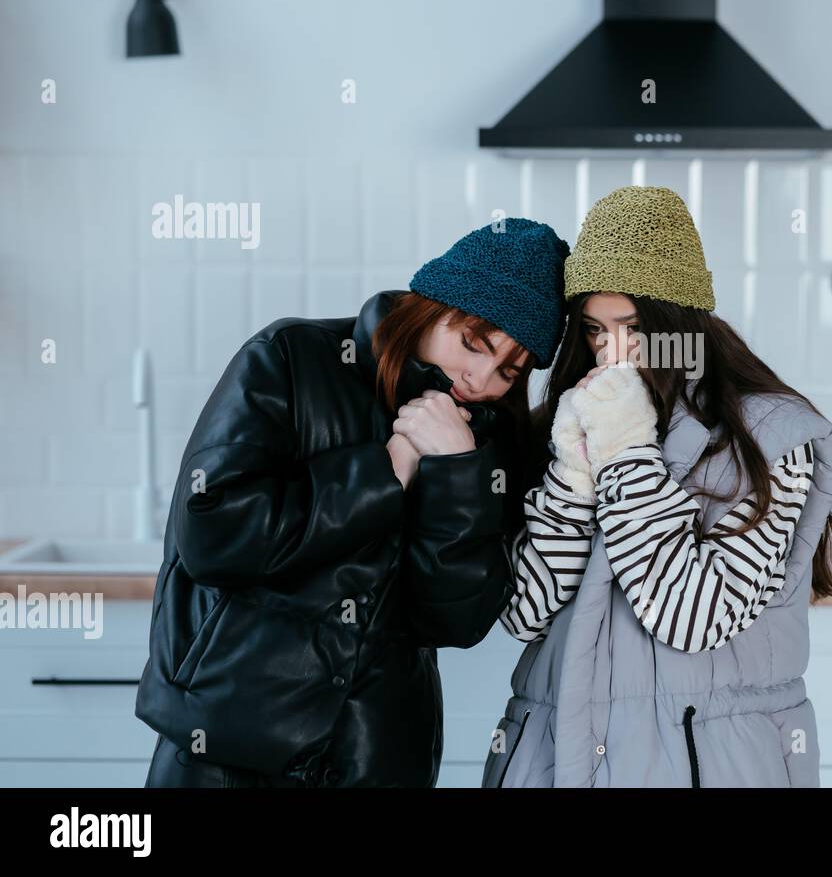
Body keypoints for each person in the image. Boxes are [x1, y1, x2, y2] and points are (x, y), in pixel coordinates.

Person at [136, 218, 568, 786]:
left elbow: (455, 622)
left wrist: (458, 475)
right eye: (472, 343)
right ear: (430, 304)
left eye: (510, 370)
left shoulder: (485, 438)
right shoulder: (292, 357)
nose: (480, 377)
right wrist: (386, 472)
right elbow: (211, 532)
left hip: (378, 758)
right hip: (226, 747)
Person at [483, 187, 832, 788]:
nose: (610, 351)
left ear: (679, 321)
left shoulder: (772, 440)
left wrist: (627, 448)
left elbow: (688, 617)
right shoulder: (573, 419)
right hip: (552, 758)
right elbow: (523, 614)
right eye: (593, 329)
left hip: (707, 763)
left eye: (631, 327)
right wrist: (577, 470)